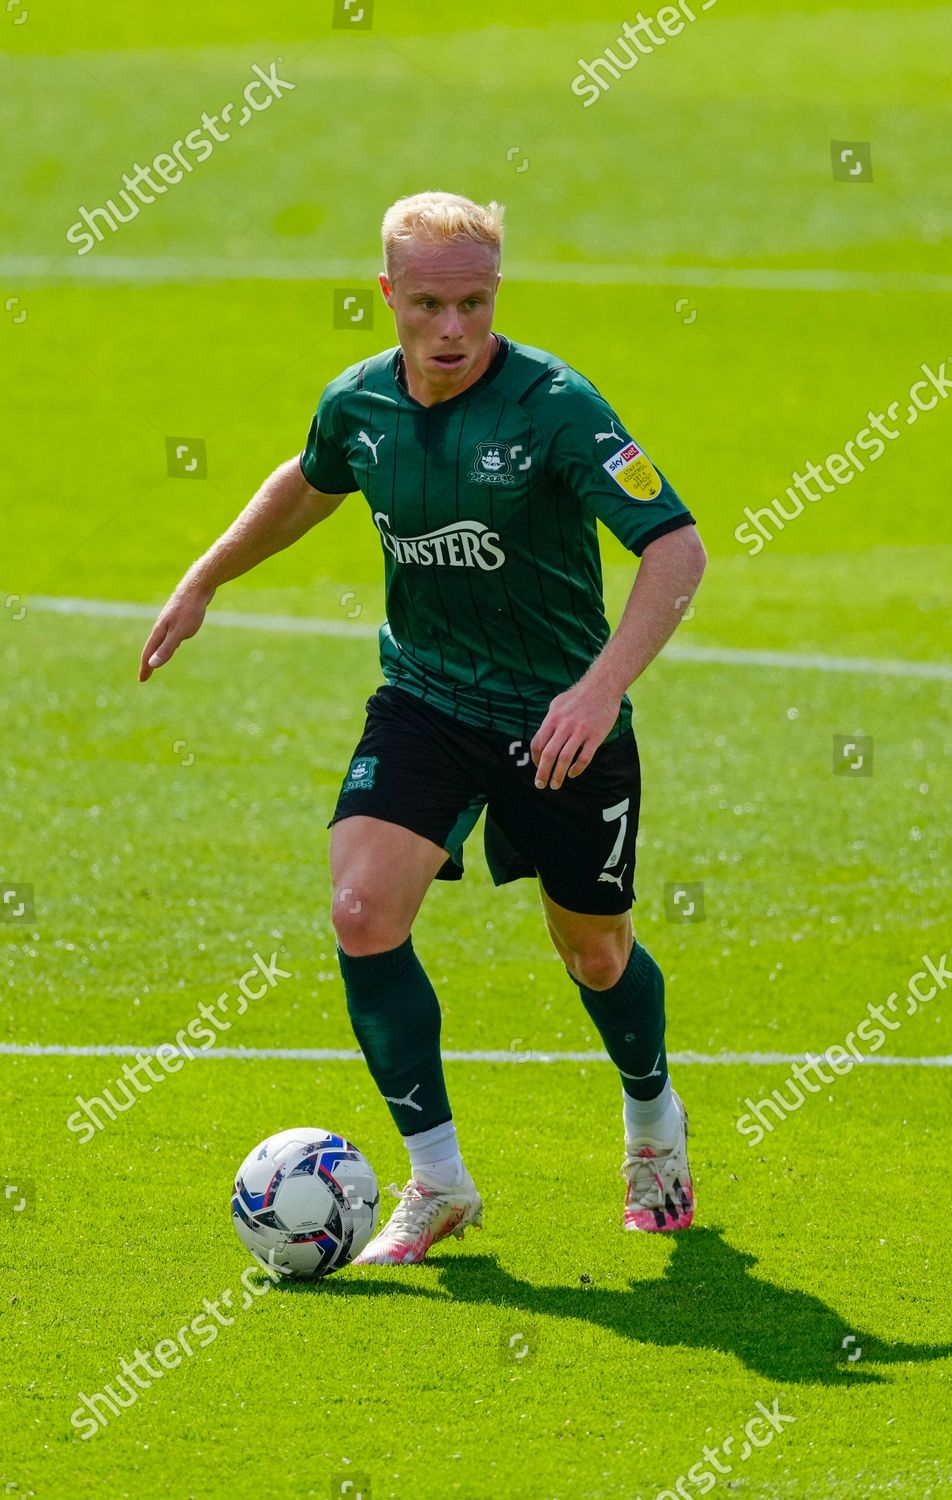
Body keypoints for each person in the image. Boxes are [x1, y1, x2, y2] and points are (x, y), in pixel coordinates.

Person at [139, 190, 707, 1266]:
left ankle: (650, 1122)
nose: (454, 331)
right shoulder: (358, 404)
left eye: (476, 305)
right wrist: (206, 577)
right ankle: (438, 1182)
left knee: (591, 953)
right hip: (425, 702)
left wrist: (593, 691)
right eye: (432, 305)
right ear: (388, 296)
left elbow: (674, 548)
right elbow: (313, 481)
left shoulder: (555, 406)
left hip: (555, 721)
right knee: (360, 909)